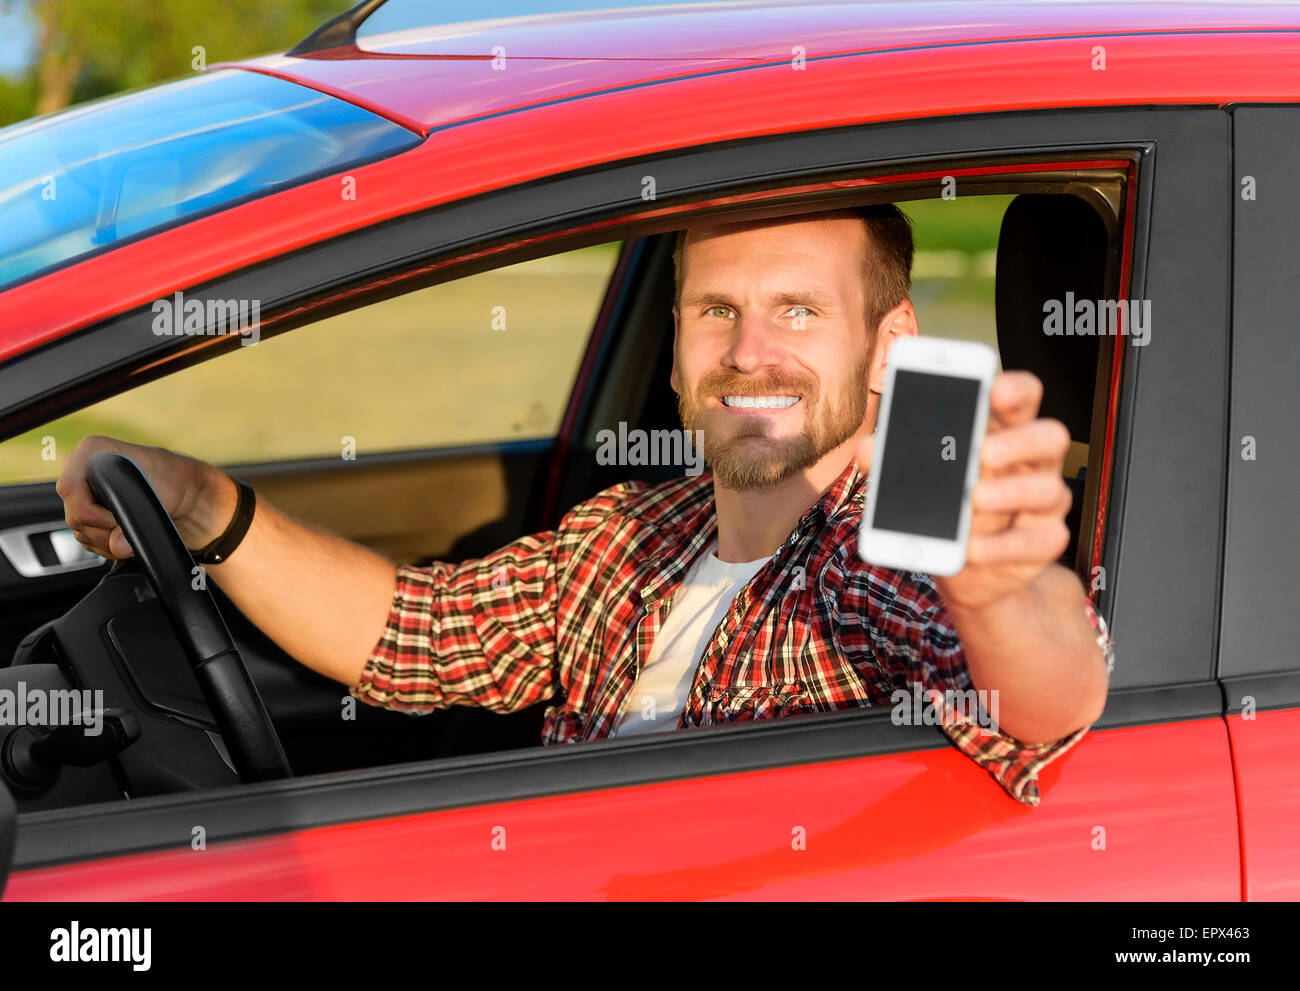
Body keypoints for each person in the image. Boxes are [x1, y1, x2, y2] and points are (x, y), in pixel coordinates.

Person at [57, 205, 1111, 806]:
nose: (750, 352)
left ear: (888, 343)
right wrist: (200, 504)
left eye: (798, 309)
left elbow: (1045, 704)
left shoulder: (892, 555)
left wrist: (996, 590)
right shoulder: (630, 535)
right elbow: (414, 634)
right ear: (676, 352)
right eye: (715, 311)